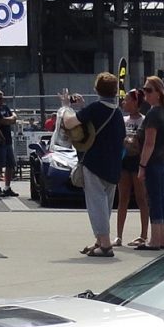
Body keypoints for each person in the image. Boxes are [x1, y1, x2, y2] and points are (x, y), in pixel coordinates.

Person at [60, 72, 124, 257]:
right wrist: (81, 107)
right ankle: (100, 240)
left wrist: (66, 107)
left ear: (97, 89)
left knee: (96, 204)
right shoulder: (117, 111)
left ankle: (105, 244)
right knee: (106, 205)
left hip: (94, 162)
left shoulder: (96, 108)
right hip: (113, 165)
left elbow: (70, 122)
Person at [135, 75, 164, 251]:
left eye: (149, 90)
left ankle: (155, 239)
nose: (145, 93)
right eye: (144, 90)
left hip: (153, 163)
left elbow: (149, 143)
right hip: (163, 162)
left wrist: (142, 166)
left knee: (154, 199)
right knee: (160, 199)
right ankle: (162, 238)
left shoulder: (153, 114)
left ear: (158, 93)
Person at [113, 88, 148, 247]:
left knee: (141, 198)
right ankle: (118, 236)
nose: (123, 102)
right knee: (123, 198)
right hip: (124, 161)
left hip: (138, 161)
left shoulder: (144, 120)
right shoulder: (123, 119)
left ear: (135, 102)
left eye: (126, 99)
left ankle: (143, 235)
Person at [0, 88, 18, 197]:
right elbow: (4, 121)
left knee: (10, 164)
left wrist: (12, 118)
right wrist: (13, 117)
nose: (2, 101)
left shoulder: (5, 108)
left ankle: (7, 187)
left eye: (3, 98)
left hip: (8, 141)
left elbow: (12, 121)